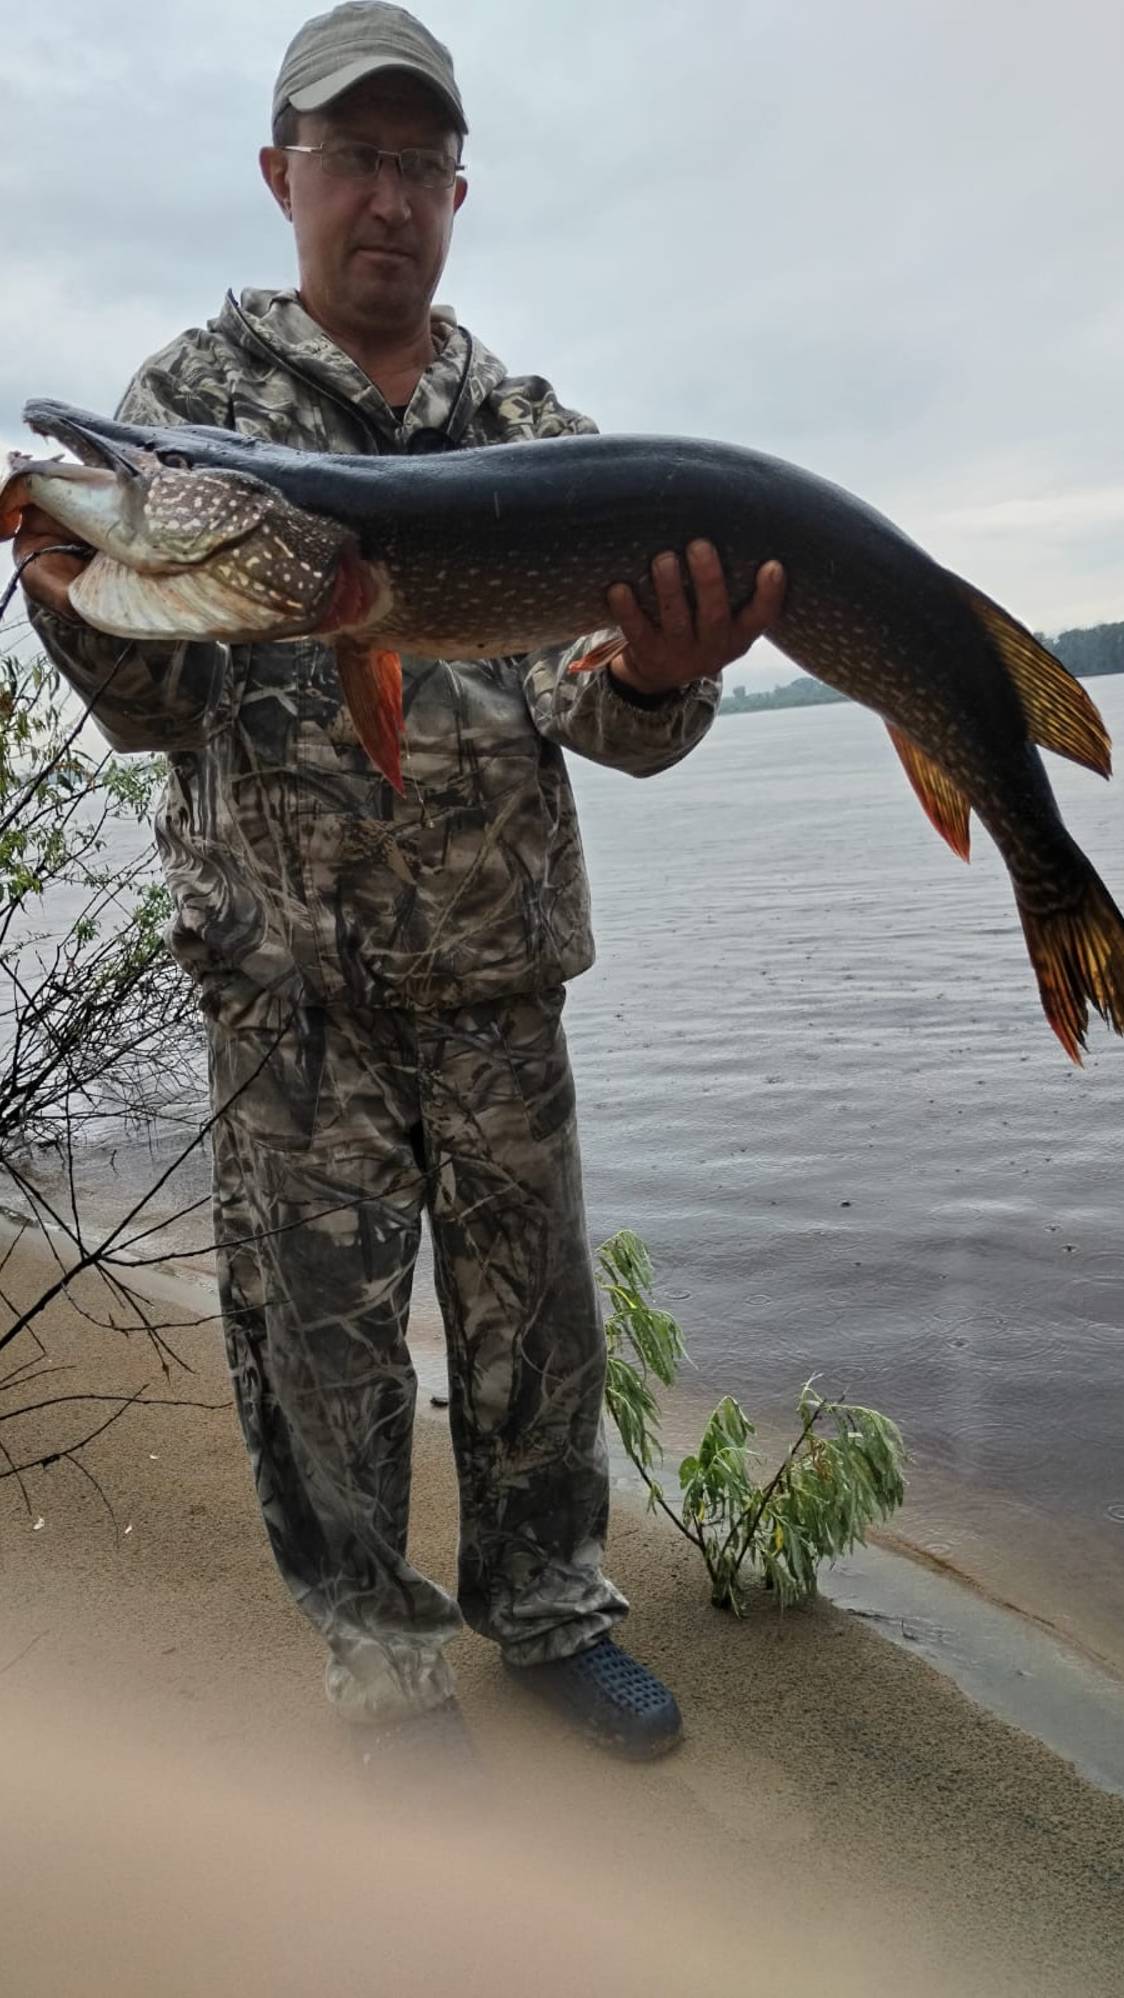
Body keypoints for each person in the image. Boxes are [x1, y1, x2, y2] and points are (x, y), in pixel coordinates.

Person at [17, 1, 785, 1758]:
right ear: (281, 176)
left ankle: (548, 1613)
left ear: (459, 191)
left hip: (498, 970)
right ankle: (383, 1664)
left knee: (535, 1331)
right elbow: (154, 706)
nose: (386, 196)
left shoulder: (525, 424)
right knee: (326, 1354)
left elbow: (615, 719)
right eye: (351, 157)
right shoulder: (186, 415)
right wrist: (84, 612)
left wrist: (663, 676)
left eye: (418, 163)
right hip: (289, 986)